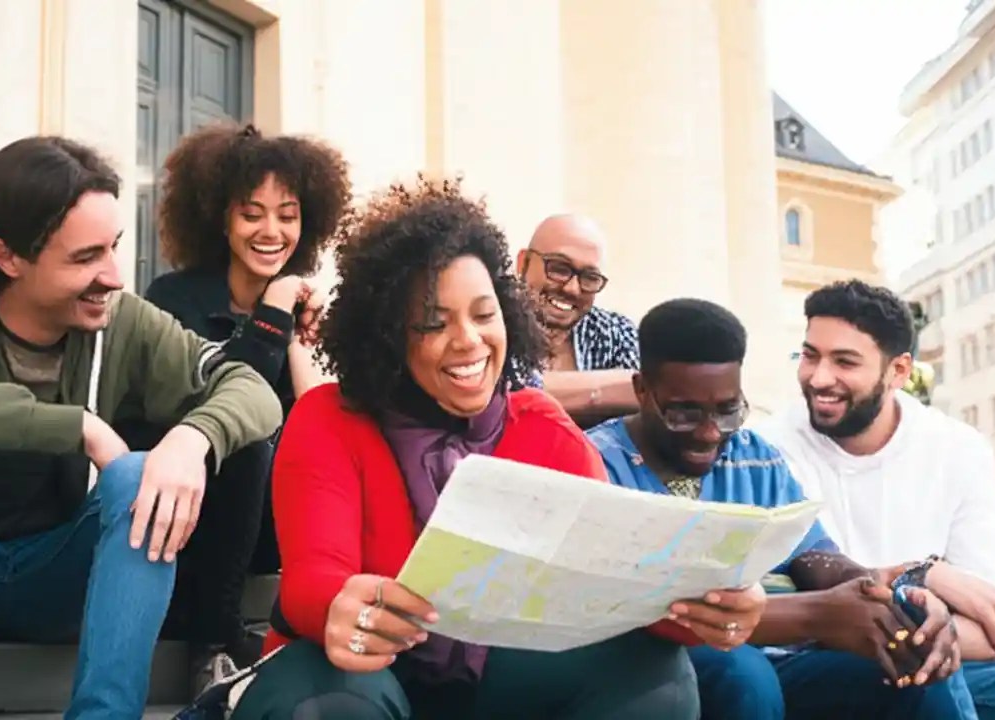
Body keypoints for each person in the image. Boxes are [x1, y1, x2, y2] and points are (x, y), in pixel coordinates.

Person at [230, 179, 737, 720]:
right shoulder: (330, 418)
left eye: (483, 313)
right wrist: (340, 604)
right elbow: (312, 578)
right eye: (433, 322)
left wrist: (706, 604)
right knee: (332, 696)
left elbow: (610, 585)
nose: (469, 339)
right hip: (356, 674)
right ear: (388, 335)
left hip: (494, 682)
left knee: (657, 672)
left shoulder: (544, 426)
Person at [0, 136, 283, 719]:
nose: (115, 276)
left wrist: (192, 440)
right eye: (86, 257)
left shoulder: (123, 322)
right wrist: (73, 427)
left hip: (55, 584)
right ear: (8, 256)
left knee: (138, 475)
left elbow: (251, 390)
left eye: (114, 248)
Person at [587, 298, 974, 719]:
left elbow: (811, 554)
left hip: (783, 661)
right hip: (661, 669)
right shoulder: (598, 465)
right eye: (685, 413)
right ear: (642, 390)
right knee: (742, 674)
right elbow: (651, 610)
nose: (710, 433)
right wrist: (818, 615)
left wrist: (880, 596)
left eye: (728, 410)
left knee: (911, 644)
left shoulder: (755, 456)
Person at [757, 279, 995, 720]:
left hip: (950, 663)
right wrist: (924, 582)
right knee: (921, 675)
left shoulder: (958, 448)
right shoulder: (766, 451)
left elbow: (993, 631)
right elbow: (799, 616)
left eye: (844, 361)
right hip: (815, 666)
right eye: (809, 355)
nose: (820, 377)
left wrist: (926, 611)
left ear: (898, 371)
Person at [123, 123, 351, 676]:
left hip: (272, 527)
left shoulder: (310, 307)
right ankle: (215, 638)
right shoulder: (173, 298)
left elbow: (324, 429)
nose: (271, 230)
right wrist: (272, 315)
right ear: (221, 220)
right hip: (188, 508)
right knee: (248, 440)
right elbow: (231, 403)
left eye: (287, 214)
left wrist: (300, 332)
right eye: (252, 213)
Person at [515, 214, 639, 426]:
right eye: (558, 268)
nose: (572, 288)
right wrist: (607, 391)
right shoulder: (489, 324)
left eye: (590, 277)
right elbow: (498, 395)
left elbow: (652, 397)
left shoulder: (612, 333)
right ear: (522, 263)